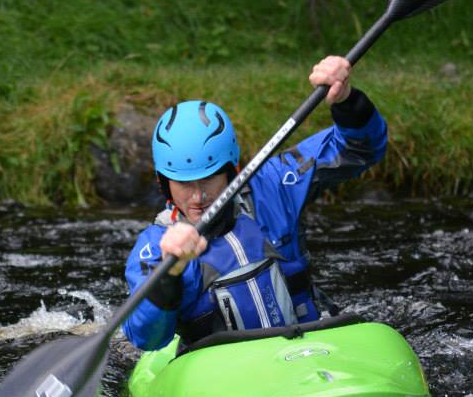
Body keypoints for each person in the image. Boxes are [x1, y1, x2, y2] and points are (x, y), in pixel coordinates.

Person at [122, 56, 387, 351]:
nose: (198, 197)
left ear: (232, 170)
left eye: (209, 179)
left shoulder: (273, 187)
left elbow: (359, 149)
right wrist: (169, 276)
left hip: (308, 346)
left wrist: (348, 102)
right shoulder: (156, 247)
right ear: (164, 183)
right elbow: (146, 338)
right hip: (225, 375)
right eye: (184, 183)